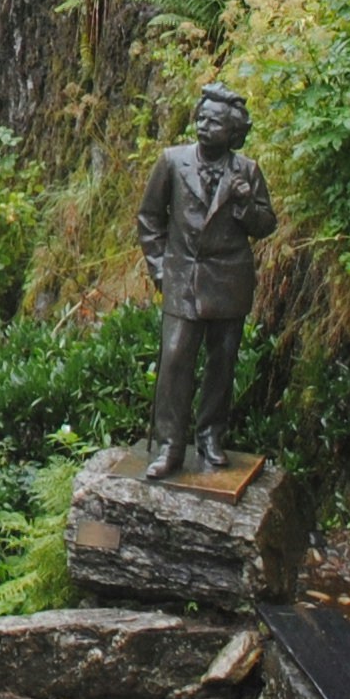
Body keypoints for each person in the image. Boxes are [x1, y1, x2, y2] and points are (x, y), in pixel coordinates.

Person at [135, 83, 276, 478]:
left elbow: (266, 225)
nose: (203, 125)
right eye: (201, 118)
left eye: (214, 122)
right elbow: (149, 217)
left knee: (222, 362)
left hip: (229, 280)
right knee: (175, 359)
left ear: (233, 133)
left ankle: (212, 436)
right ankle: (169, 446)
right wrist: (160, 268)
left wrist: (246, 202)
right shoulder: (171, 161)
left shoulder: (246, 170)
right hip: (182, 277)